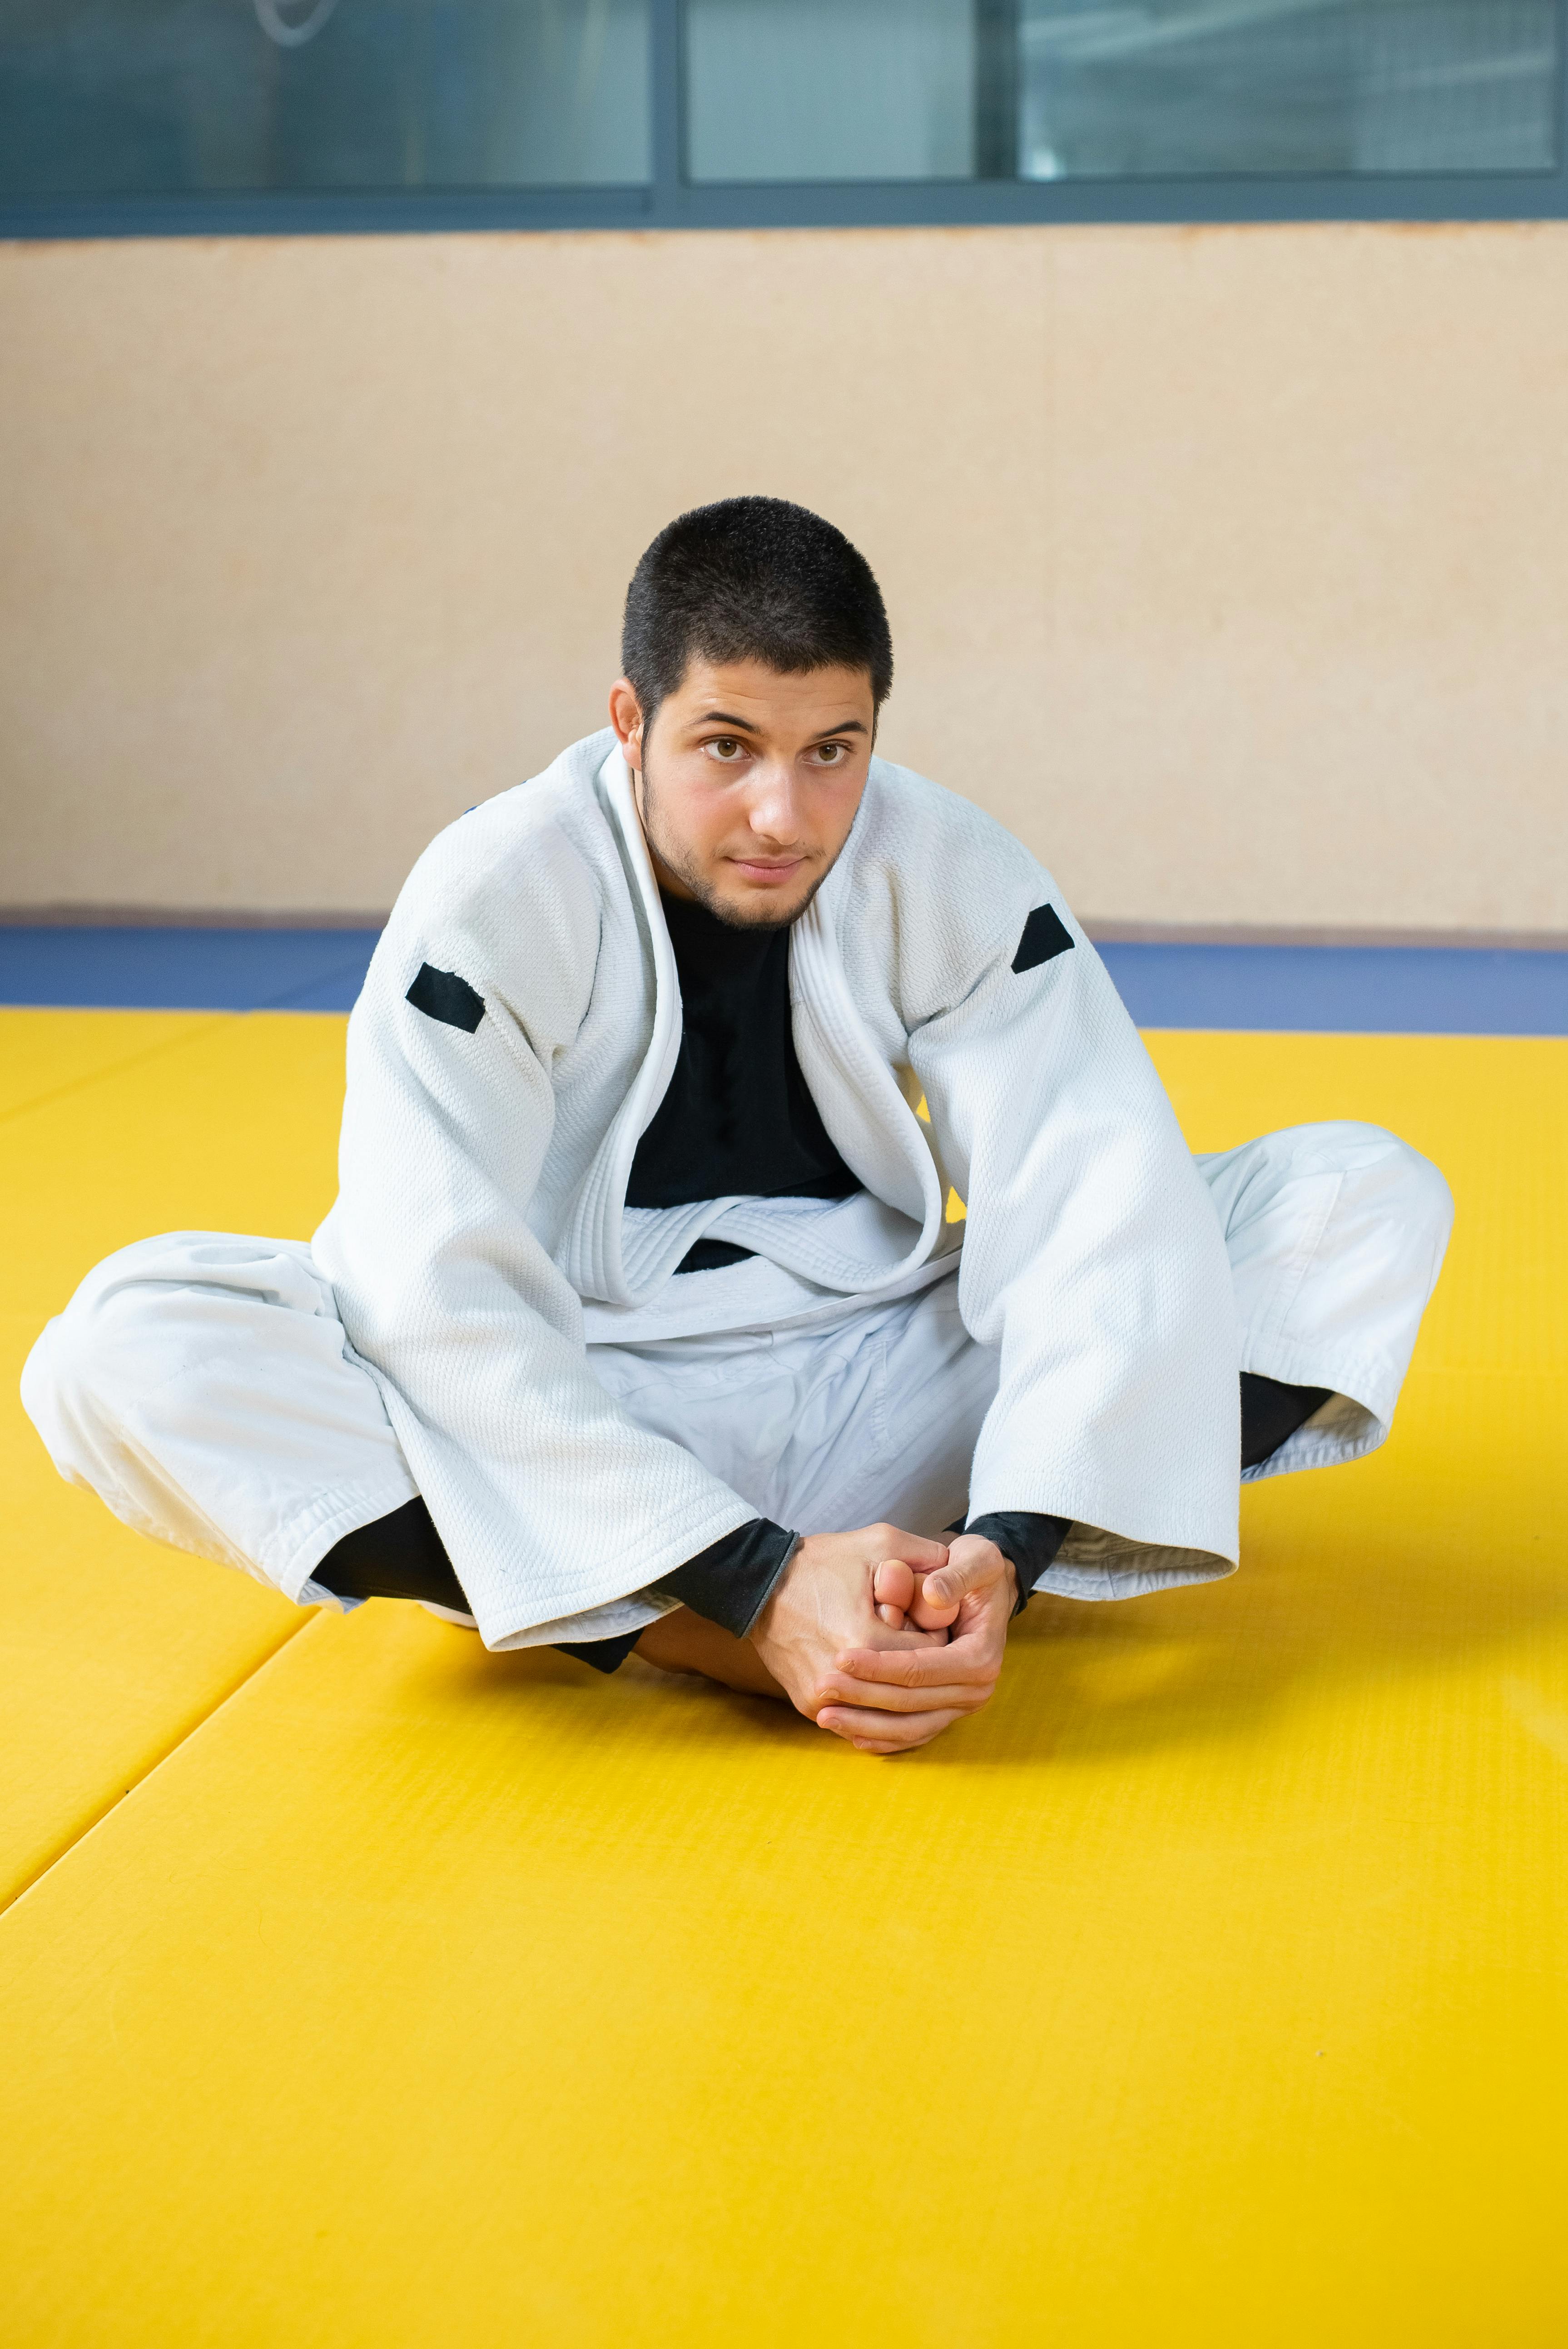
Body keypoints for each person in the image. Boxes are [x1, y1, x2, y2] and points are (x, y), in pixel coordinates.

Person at [22, 497, 1454, 1756]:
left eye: (834, 747)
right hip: (580, 1397)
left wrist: (1005, 1551)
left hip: (880, 1377)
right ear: (631, 721)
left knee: (1355, 1194)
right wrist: (754, 1583)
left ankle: (913, 1601)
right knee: (125, 1346)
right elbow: (429, 1273)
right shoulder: (493, 892)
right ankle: (711, 1622)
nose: (784, 810)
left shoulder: (945, 861)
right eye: (727, 745)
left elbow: (1090, 1188)